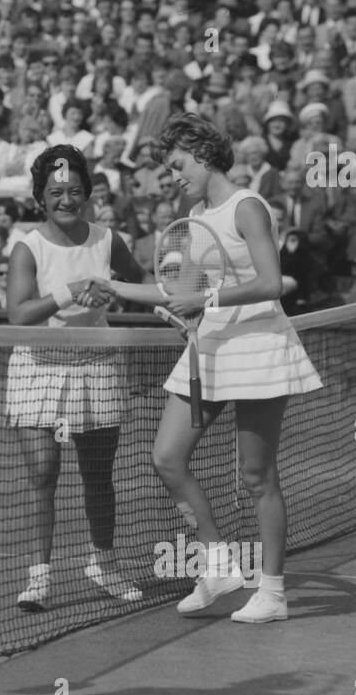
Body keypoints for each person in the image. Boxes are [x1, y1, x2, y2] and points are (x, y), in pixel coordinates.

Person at [138, 114, 322, 624]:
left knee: (257, 474)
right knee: (167, 456)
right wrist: (115, 289)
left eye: (176, 166)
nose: (172, 176)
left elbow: (272, 281)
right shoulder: (195, 215)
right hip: (212, 345)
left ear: (201, 152)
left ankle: (273, 592)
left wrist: (206, 299)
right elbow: (181, 291)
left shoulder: (247, 206)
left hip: (260, 345)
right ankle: (218, 564)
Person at [5, 144, 164, 611]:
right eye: (56, 192)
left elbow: (140, 285)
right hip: (38, 371)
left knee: (98, 477)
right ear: (40, 198)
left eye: (75, 191)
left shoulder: (108, 240)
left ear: (88, 194)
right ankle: (39, 577)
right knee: (44, 474)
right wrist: (71, 291)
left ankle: (103, 565)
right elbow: (19, 315)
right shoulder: (26, 247)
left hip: (96, 367)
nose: (66, 200)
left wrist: (178, 299)